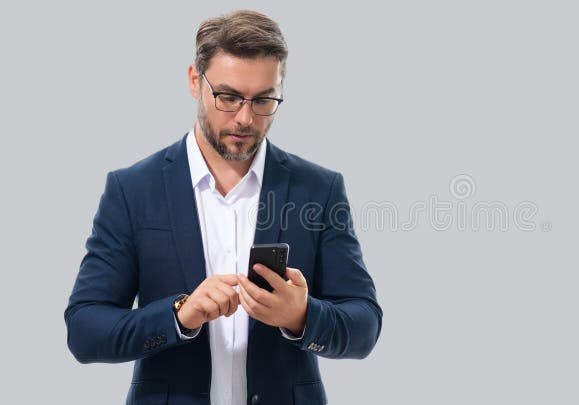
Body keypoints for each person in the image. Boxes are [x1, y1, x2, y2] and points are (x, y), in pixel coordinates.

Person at [64, 10, 382, 405]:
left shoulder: (319, 189)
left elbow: (365, 325)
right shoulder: (132, 189)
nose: (245, 118)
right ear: (195, 81)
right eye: (228, 97)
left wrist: (301, 316)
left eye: (264, 99)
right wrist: (179, 314)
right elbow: (84, 330)